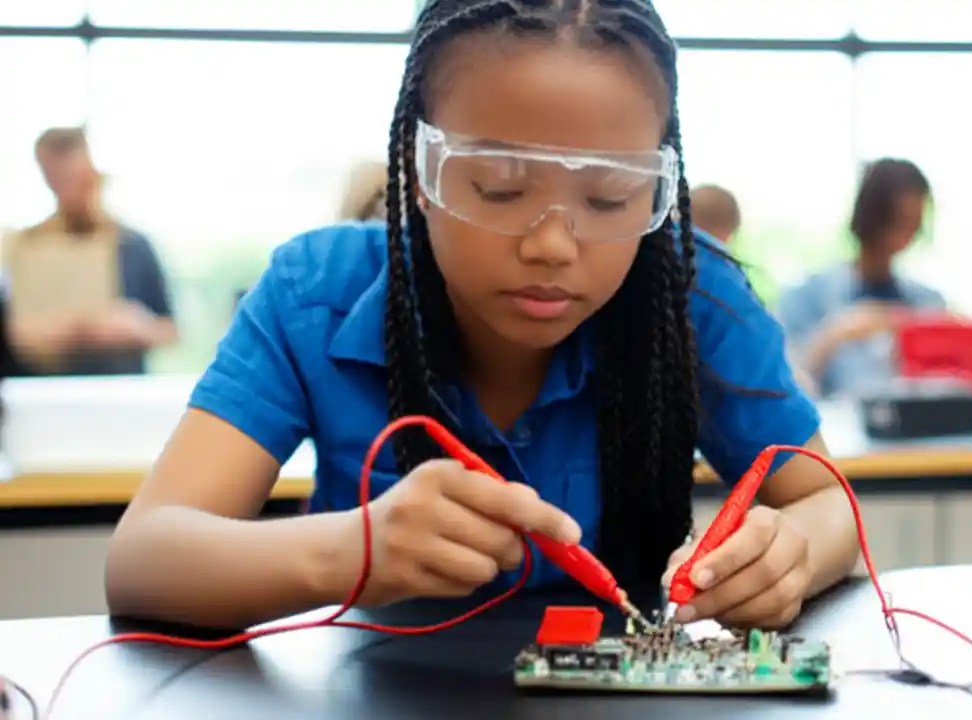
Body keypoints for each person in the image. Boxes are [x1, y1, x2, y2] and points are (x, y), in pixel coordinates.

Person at [105, 0, 857, 631]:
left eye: (609, 197)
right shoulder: (315, 293)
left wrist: (790, 552)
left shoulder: (691, 296)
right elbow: (143, 560)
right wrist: (353, 551)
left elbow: (829, 505)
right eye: (498, 188)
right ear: (419, 170)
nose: (554, 244)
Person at [3, 127, 176, 375]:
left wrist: (135, 327)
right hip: (39, 390)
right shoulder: (25, 246)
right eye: (55, 176)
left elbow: (169, 329)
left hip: (114, 389)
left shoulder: (132, 245)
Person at [777, 158, 945, 398]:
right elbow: (789, 386)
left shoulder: (927, 302)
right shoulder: (806, 297)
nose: (905, 237)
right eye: (898, 222)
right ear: (872, 215)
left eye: (913, 224)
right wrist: (835, 333)